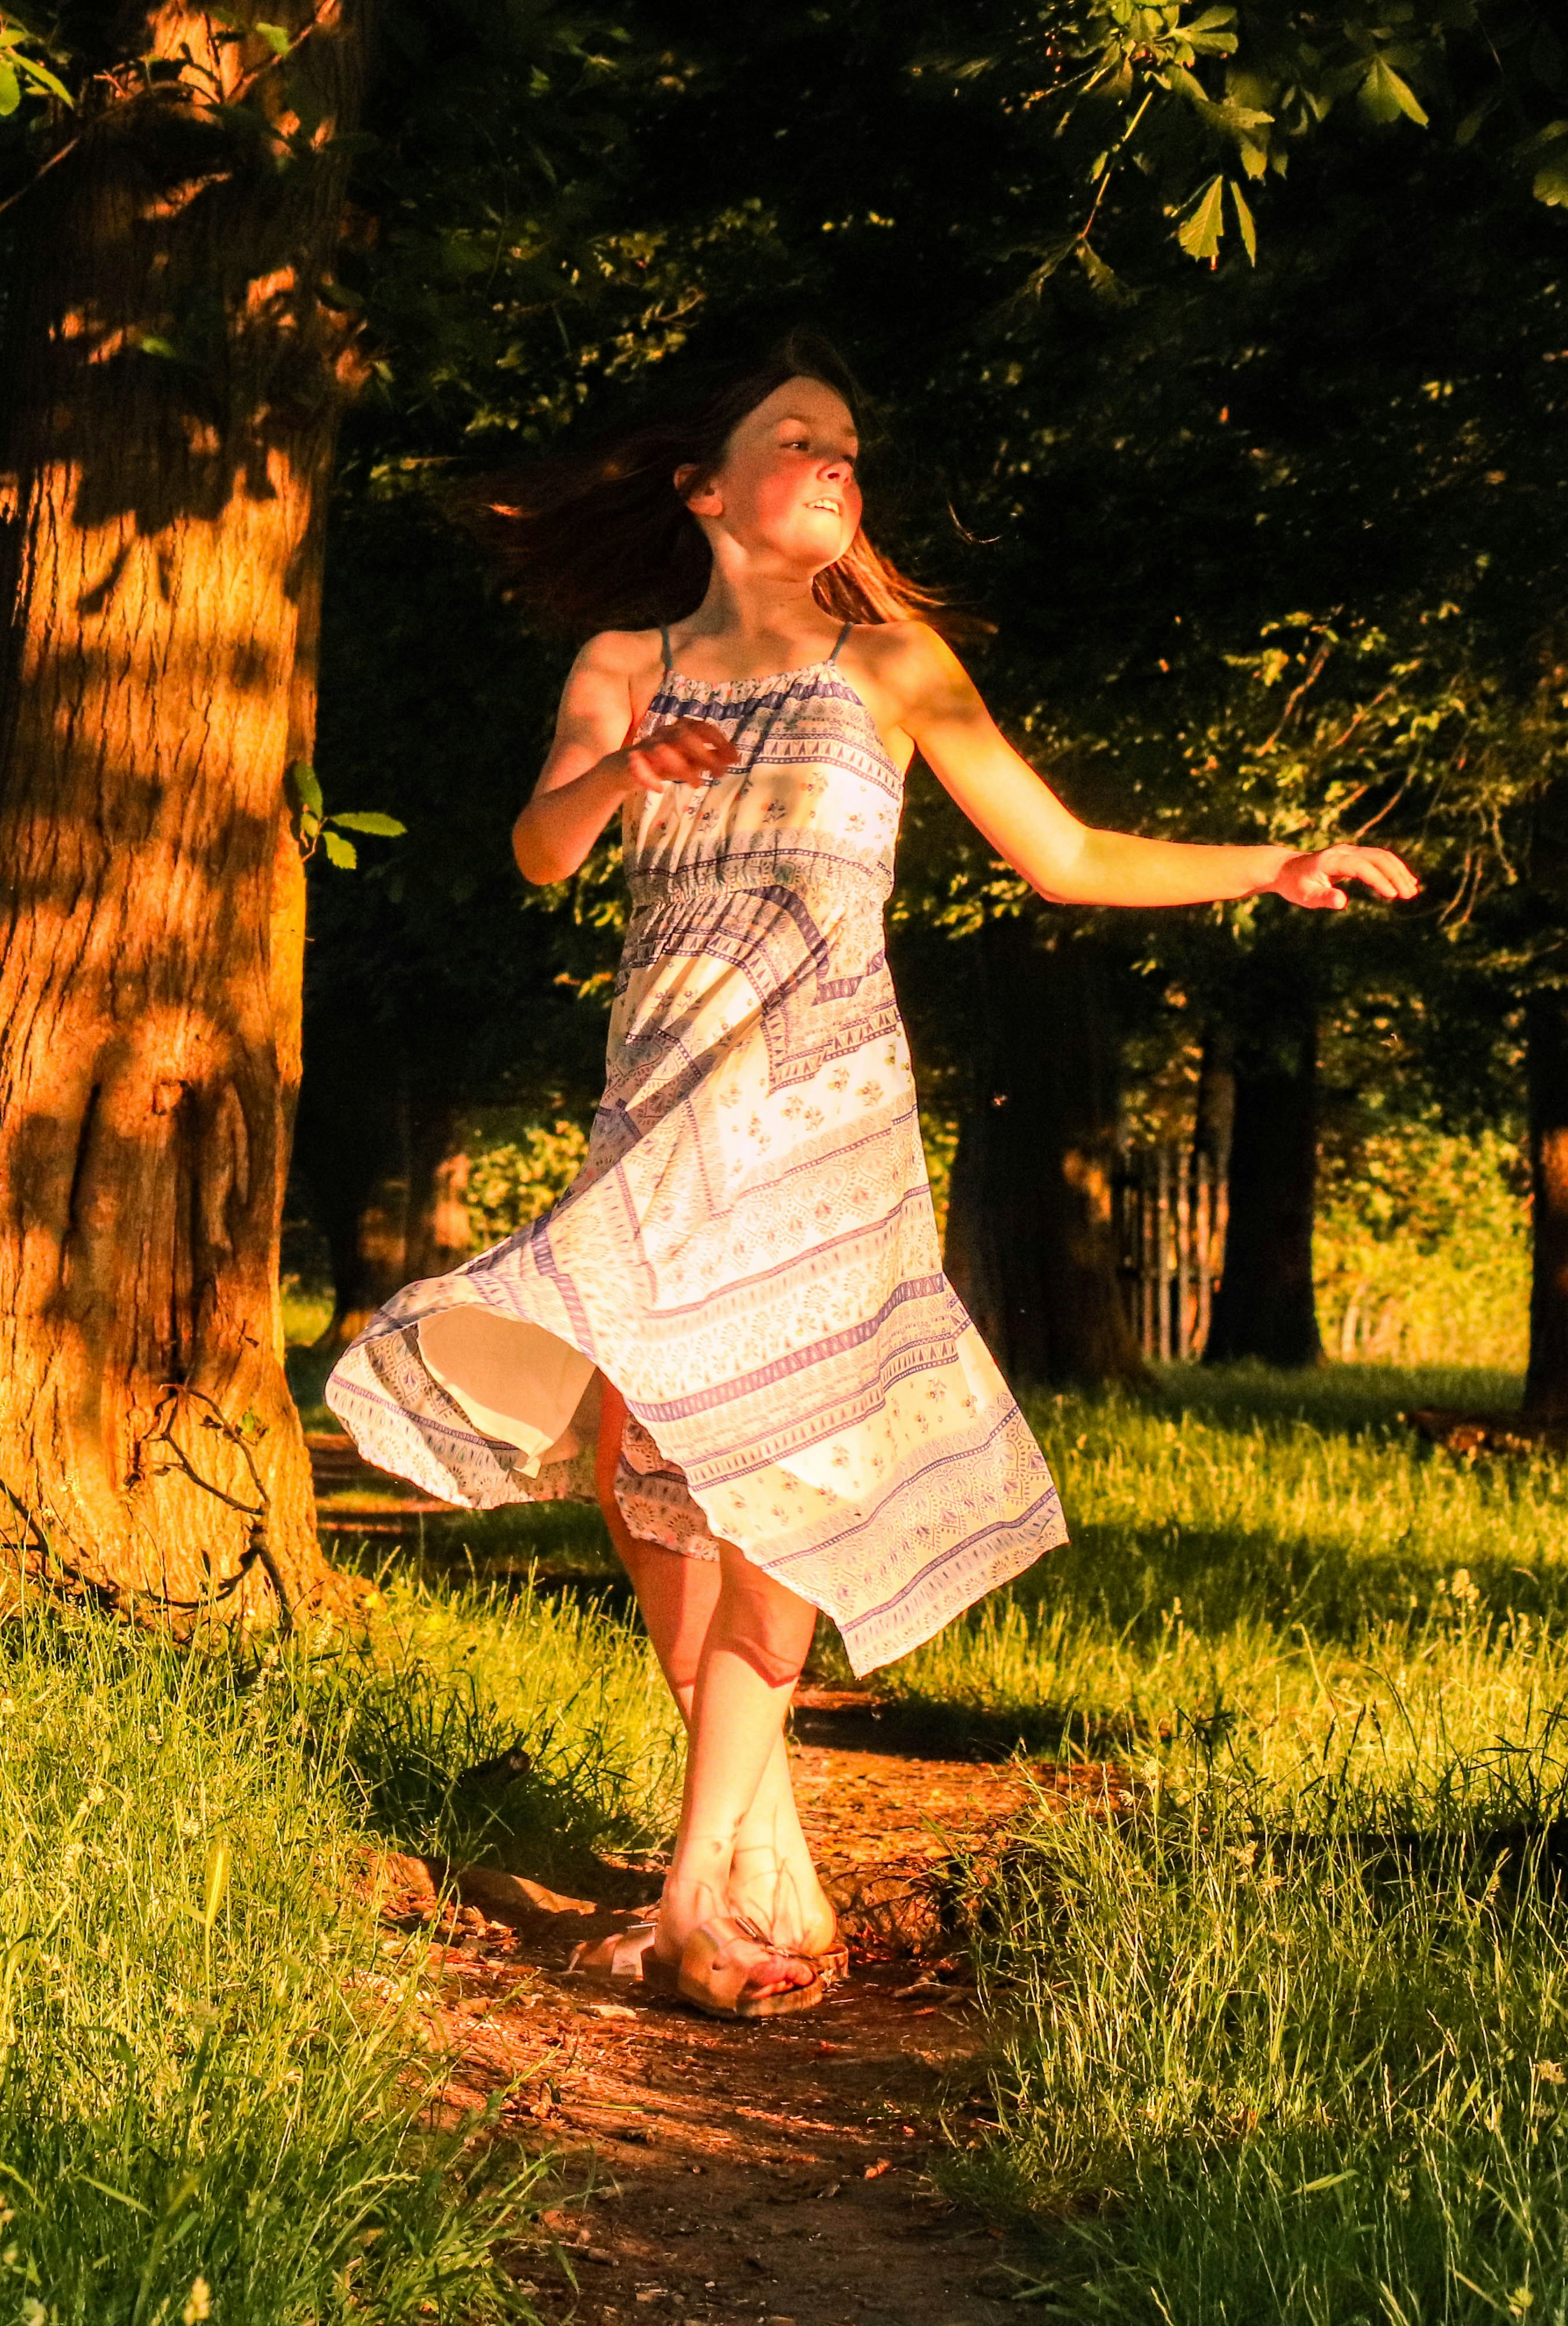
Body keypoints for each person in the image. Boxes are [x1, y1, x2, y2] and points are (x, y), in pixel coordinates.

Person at [320, 334, 1416, 2020]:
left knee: (781, 1471)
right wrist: (629, 769)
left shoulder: (894, 668)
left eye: (850, 448)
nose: (839, 467)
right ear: (705, 486)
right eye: (800, 441)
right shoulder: (630, 658)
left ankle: (699, 1899)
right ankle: (776, 1864)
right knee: (650, 1473)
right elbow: (541, 848)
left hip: (824, 1116)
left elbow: (1061, 857)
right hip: (663, 1111)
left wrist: (1270, 864)